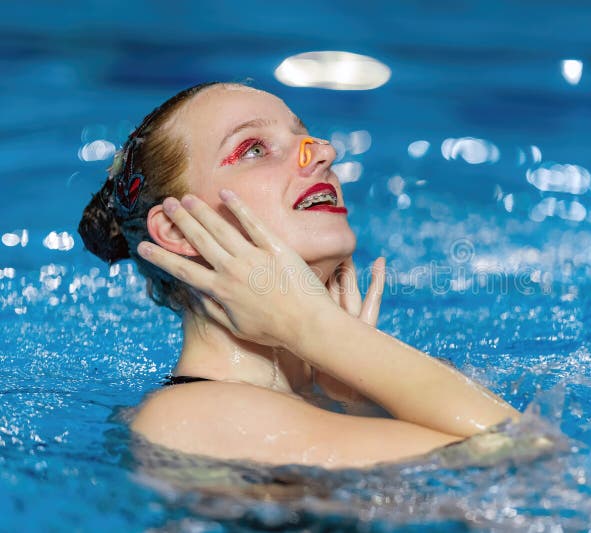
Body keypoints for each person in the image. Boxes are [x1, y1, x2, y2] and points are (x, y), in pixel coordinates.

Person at [79, 82, 521, 468]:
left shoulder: (341, 391)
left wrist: (353, 396)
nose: (324, 152)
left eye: (306, 136)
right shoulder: (190, 419)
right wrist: (323, 332)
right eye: (253, 149)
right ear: (177, 230)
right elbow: (525, 457)